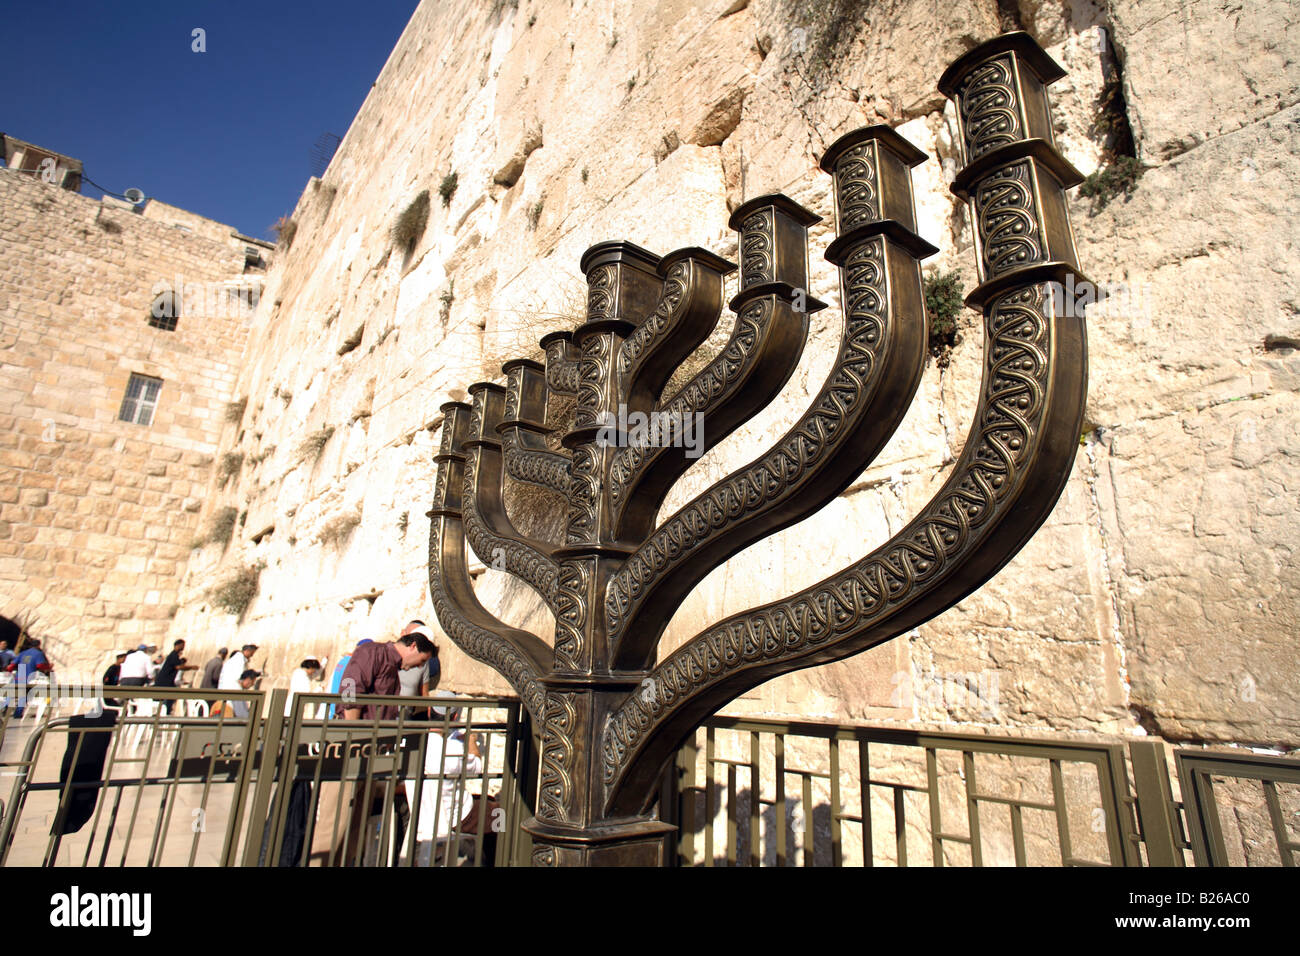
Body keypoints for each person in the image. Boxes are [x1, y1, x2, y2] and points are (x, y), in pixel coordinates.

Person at [413, 692, 485, 866]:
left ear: (430, 711)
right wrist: (471, 739)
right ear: (454, 716)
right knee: (500, 813)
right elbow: (477, 766)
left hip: (421, 812)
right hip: (455, 814)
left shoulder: (415, 742)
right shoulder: (452, 750)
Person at [338, 632, 434, 721]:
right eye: (422, 660)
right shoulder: (373, 652)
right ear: (413, 646)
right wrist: (352, 729)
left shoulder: (393, 666)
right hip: (358, 733)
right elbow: (351, 688)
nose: (419, 666)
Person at [154, 639, 198, 714]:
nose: (183, 647)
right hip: (164, 683)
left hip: (167, 682)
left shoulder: (174, 655)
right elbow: (178, 667)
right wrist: (191, 667)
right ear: (178, 645)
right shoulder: (173, 655)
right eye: (183, 645)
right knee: (165, 702)